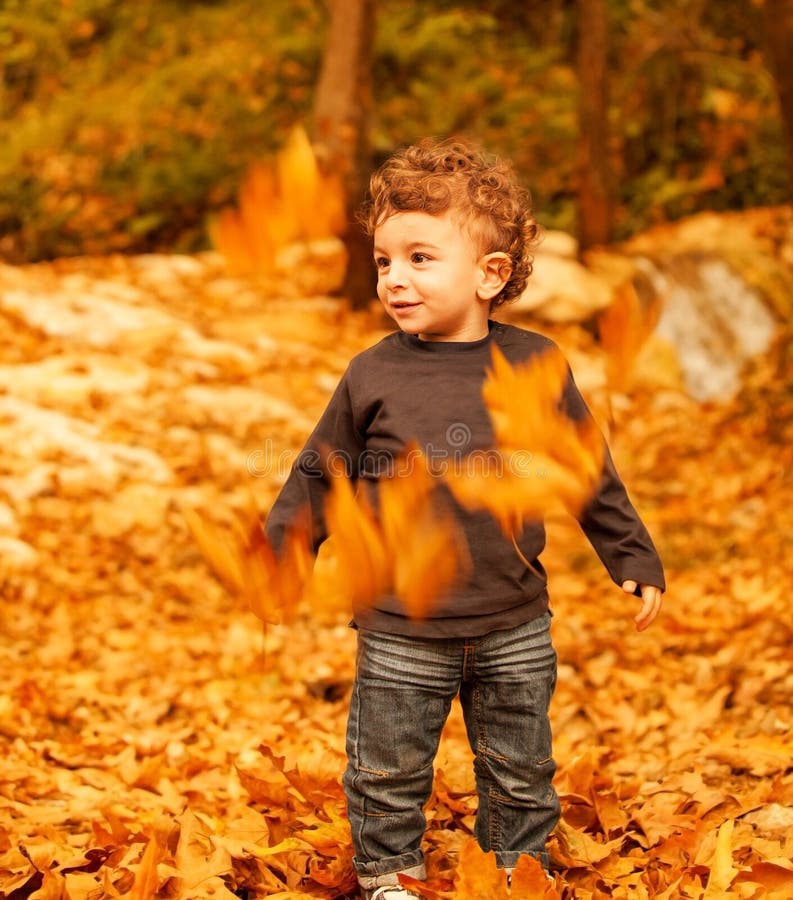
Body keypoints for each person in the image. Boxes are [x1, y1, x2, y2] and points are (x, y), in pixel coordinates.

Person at [264, 137, 665, 900]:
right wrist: (283, 550)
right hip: (399, 623)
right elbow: (320, 470)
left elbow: (586, 470)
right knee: (387, 767)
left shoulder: (536, 367)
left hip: (512, 619)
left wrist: (631, 556)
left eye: (420, 258)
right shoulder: (372, 373)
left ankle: (514, 869)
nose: (393, 278)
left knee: (520, 766)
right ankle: (389, 875)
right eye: (384, 260)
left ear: (489, 275)